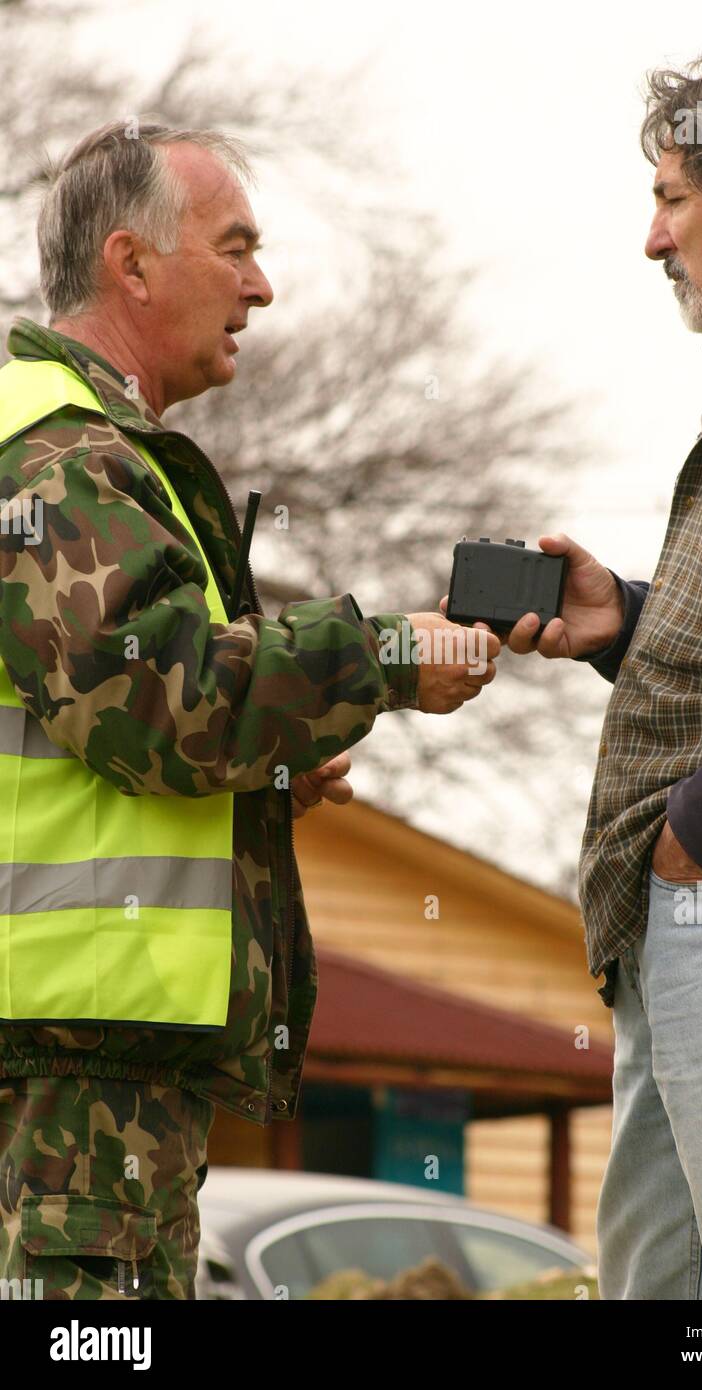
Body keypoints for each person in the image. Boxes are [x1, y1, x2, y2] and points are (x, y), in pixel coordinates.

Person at [0, 120, 499, 1300]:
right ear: (131, 264)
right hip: (73, 1059)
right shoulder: (59, 459)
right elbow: (160, 696)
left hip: (90, 1048)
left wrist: (267, 777)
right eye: (235, 249)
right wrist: (379, 656)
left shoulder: (90, 453)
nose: (260, 287)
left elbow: (105, 737)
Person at [456, 46, 702, 1299]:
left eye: (671, 197)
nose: (650, 239)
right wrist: (623, 622)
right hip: (684, 922)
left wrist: (697, 830)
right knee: (662, 1285)